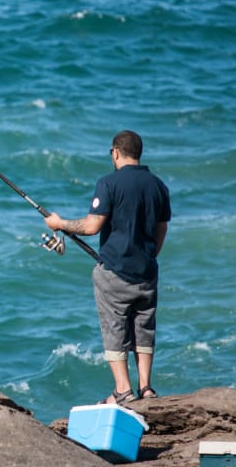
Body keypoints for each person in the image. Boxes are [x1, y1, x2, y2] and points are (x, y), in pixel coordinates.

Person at [44, 130, 171, 405]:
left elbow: (91, 226)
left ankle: (123, 390)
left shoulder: (109, 183)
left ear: (115, 152)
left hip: (114, 272)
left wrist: (60, 224)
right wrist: (150, 256)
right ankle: (146, 387)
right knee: (144, 327)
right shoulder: (159, 186)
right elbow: (162, 228)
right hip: (147, 272)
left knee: (115, 328)